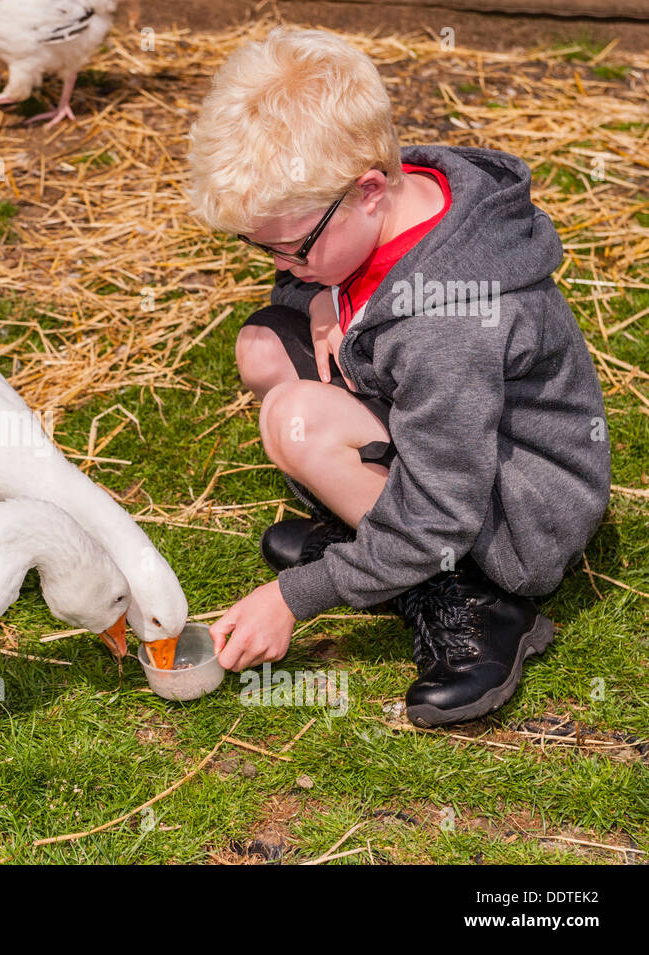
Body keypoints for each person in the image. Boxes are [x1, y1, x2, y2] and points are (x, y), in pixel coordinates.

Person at [186, 27, 611, 727]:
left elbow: (444, 508)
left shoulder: (450, 324)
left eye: (289, 249)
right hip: (443, 436)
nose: (280, 264)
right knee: (265, 346)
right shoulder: (387, 196)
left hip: (513, 519)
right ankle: (372, 530)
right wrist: (318, 294)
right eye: (259, 248)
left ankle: (469, 602)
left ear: (371, 190)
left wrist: (297, 595)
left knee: (297, 419)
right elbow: (314, 282)